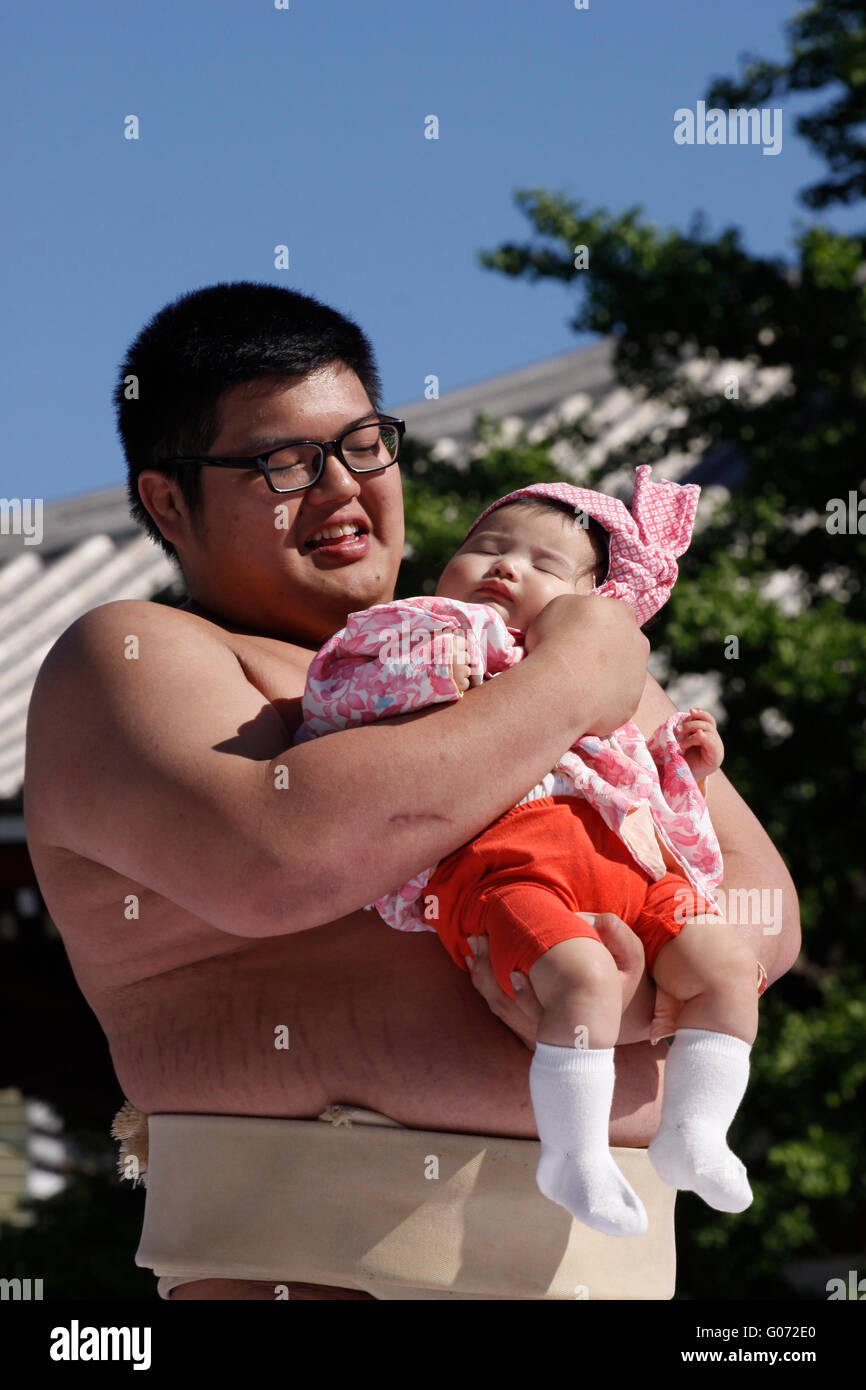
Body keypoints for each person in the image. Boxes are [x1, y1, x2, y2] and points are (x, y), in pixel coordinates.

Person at [23, 282, 800, 1300]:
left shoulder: (541, 645)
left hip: (611, 1266)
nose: (342, 488)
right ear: (169, 498)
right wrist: (571, 683)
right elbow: (278, 858)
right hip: (303, 1271)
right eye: (282, 463)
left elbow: (759, 903)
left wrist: (626, 987)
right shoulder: (135, 656)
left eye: (362, 445)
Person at [296, 470, 763, 1237]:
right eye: (486, 548)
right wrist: (439, 668)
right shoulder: (419, 625)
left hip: (629, 863)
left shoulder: (607, 683)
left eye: (545, 566)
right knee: (580, 976)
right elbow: (334, 692)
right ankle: (573, 1153)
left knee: (724, 963)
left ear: (596, 608)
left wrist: (684, 764)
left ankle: (696, 1131)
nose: (507, 567)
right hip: (504, 865)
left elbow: (641, 792)